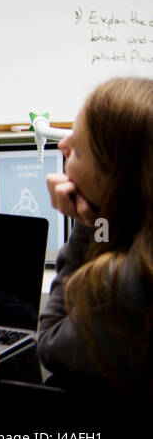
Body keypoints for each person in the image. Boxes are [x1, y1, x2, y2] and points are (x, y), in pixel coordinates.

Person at [39, 76, 153, 400]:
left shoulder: (125, 285)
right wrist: (99, 219)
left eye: (78, 149)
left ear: (114, 178)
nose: (63, 145)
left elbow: (50, 342)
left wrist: (87, 227)